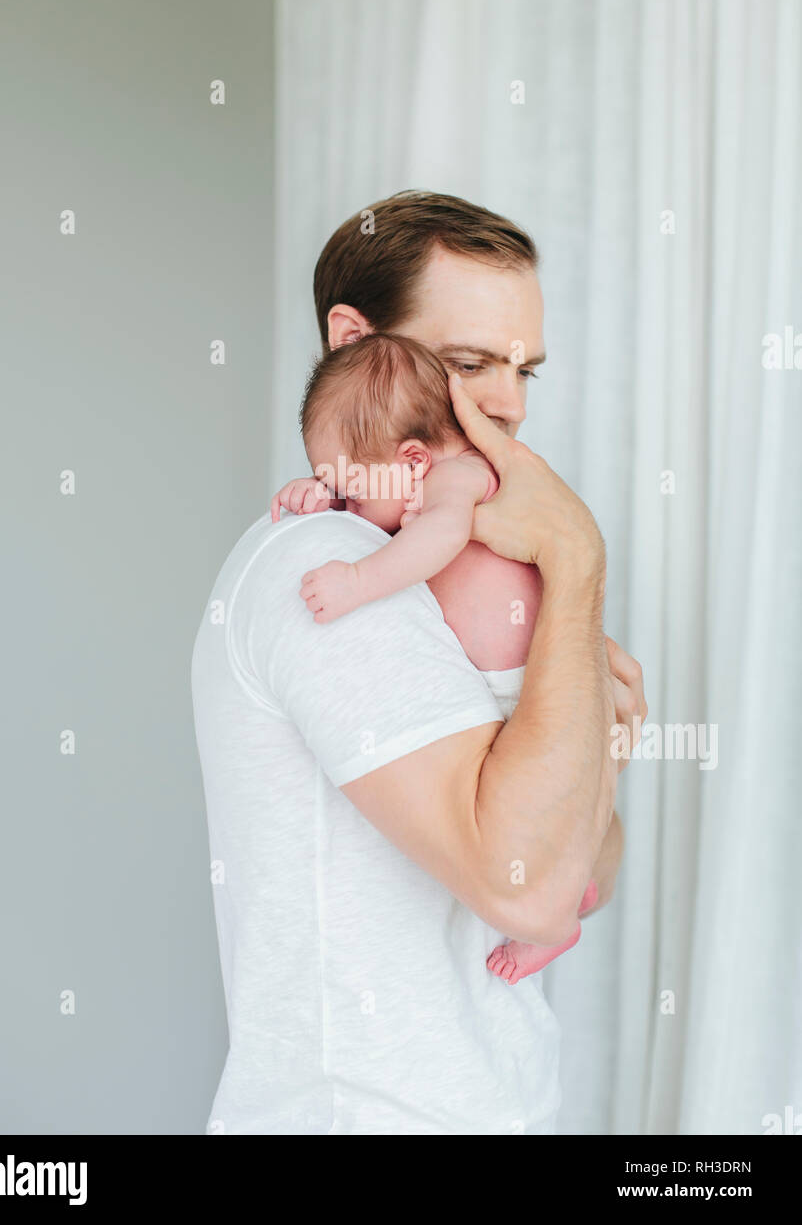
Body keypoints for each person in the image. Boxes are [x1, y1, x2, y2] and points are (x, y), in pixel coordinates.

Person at [191, 190, 645, 1135]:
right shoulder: (324, 565)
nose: (510, 404)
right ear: (354, 341)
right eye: (470, 362)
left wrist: (599, 740)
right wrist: (579, 560)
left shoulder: (451, 558)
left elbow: (584, 864)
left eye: (524, 371)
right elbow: (533, 886)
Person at [271, 331, 601, 987]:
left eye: (349, 495)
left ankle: (560, 917)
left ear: (414, 459)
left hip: (519, 688)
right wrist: (320, 496)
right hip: (509, 683)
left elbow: (442, 535)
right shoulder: (412, 477)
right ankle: (580, 884)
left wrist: (358, 581)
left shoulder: (459, 477)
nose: (347, 511)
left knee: (536, 819)